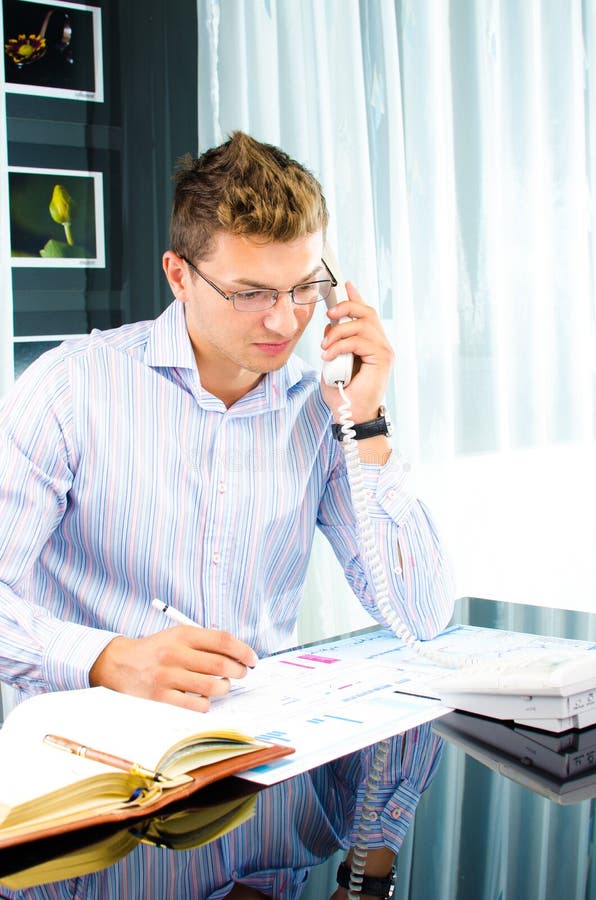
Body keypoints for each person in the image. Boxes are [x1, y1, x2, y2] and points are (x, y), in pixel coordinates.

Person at [0, 132, 454, 899]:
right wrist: (107, 657)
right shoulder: (69, 390)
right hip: (93, 807)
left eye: (304, 288)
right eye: (250, 293)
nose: (284, 321)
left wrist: (368, 421)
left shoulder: (321, 409)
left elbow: (420, 614)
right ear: (179, 274)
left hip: (263, 796)